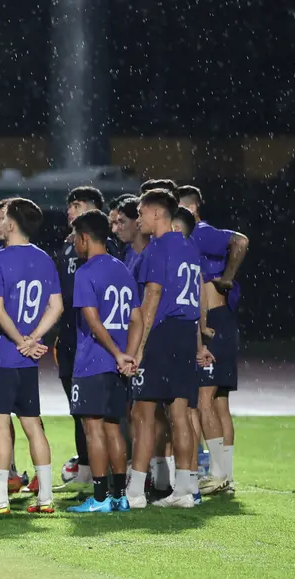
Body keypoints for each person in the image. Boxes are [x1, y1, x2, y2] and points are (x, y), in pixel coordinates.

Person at [0, 198, 62, 514]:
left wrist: (20, 340)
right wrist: (34, 338)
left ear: (11, 224)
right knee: (33, 425)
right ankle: (46, 497)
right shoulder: (44, 259)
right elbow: (57, 307)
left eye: (2, 219)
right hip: (27, 359)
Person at [129, 189, 209, 509]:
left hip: (161, 333)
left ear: (157, 214)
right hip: (185, 332)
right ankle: (186, 490)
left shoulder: (157, 248)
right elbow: (199, 298)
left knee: (143, 413)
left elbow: (152, 299)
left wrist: (138, 349)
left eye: (141, 213)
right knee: (181, 414)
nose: (139, 220)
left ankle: (134, 492)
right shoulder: (190, 247)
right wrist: (199, 342)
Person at [65, 210, 144, 513]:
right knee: (115, 427)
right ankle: (119, 496)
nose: (74, 245)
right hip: (117, 367)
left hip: (93, 362)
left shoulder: (85, 272)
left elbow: (93, 322)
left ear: (85, 238)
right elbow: (136, 319)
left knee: (93, 428)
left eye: (76, 239)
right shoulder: (122, 269)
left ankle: (99, 498)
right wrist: (130, 355)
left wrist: (116, 353)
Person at [177, 186, 248, 496]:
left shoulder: (201, 233)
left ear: (191, 210)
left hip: (215, 325)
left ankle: (218, 475)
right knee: (219, 403)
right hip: (223, 323)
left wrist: (228, 276)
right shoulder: (190, 240)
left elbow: (240, 241)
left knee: (204, 399)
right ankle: (226, 477)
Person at [55, 186, 107, 489]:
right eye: (69, 205)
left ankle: (116, 475)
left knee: (104, 413)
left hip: (97, 339)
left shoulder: (106, 247)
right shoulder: (66, 247)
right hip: (71, 339)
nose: (70, 210)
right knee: (78, 409)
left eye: (77, 205)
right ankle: (86, 471)